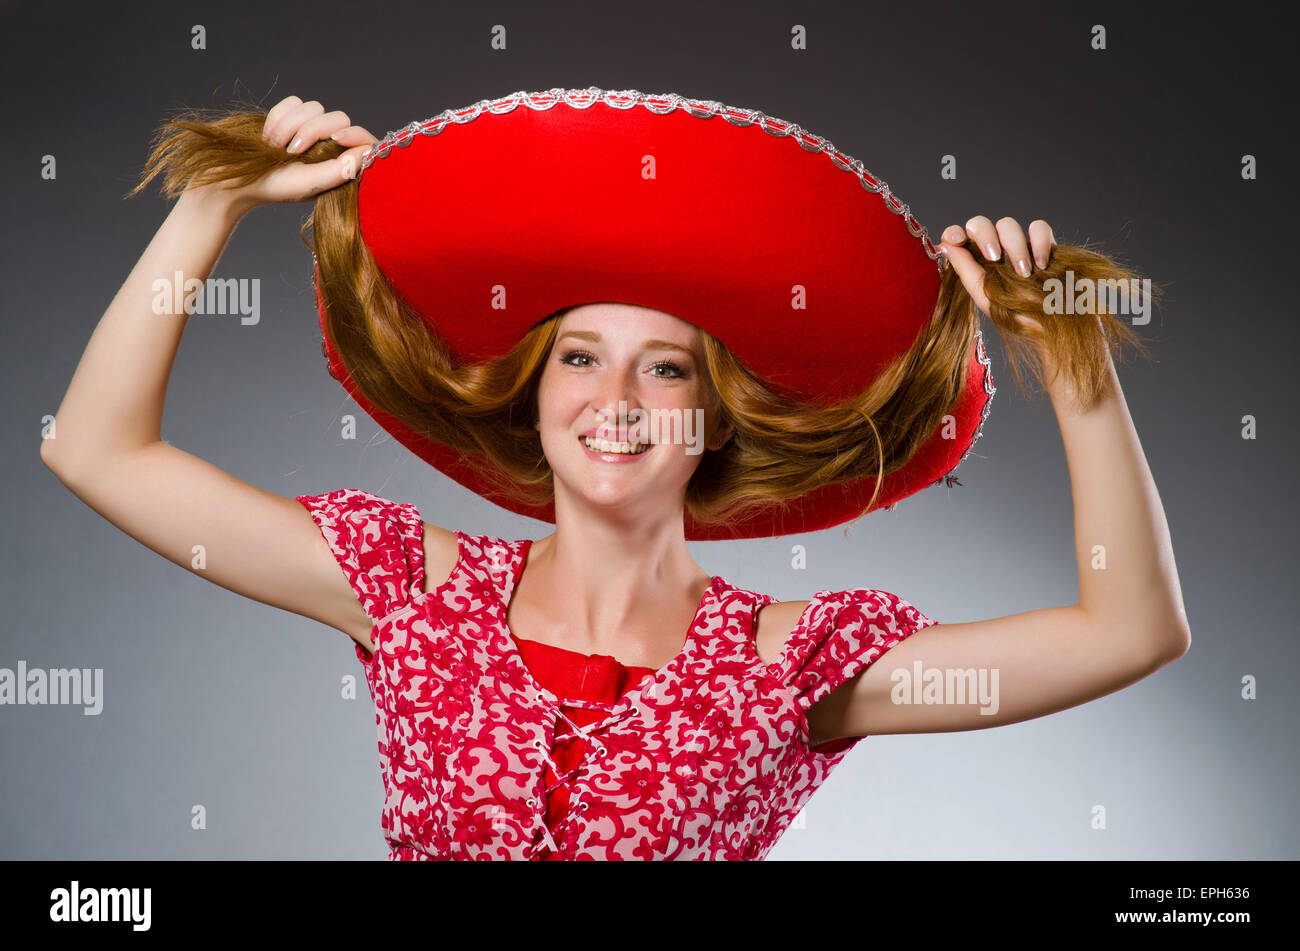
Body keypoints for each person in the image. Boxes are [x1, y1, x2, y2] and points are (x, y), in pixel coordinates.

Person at [40, 90, 1191, 860]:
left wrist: (1072, 361)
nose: (615, 402)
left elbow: (1129, 630)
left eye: (668, 370)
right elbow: (95, 449)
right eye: (579, 358)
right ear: (534, 396)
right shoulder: (406, 590)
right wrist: (210, 206)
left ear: (714, 420)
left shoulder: (796, 669)